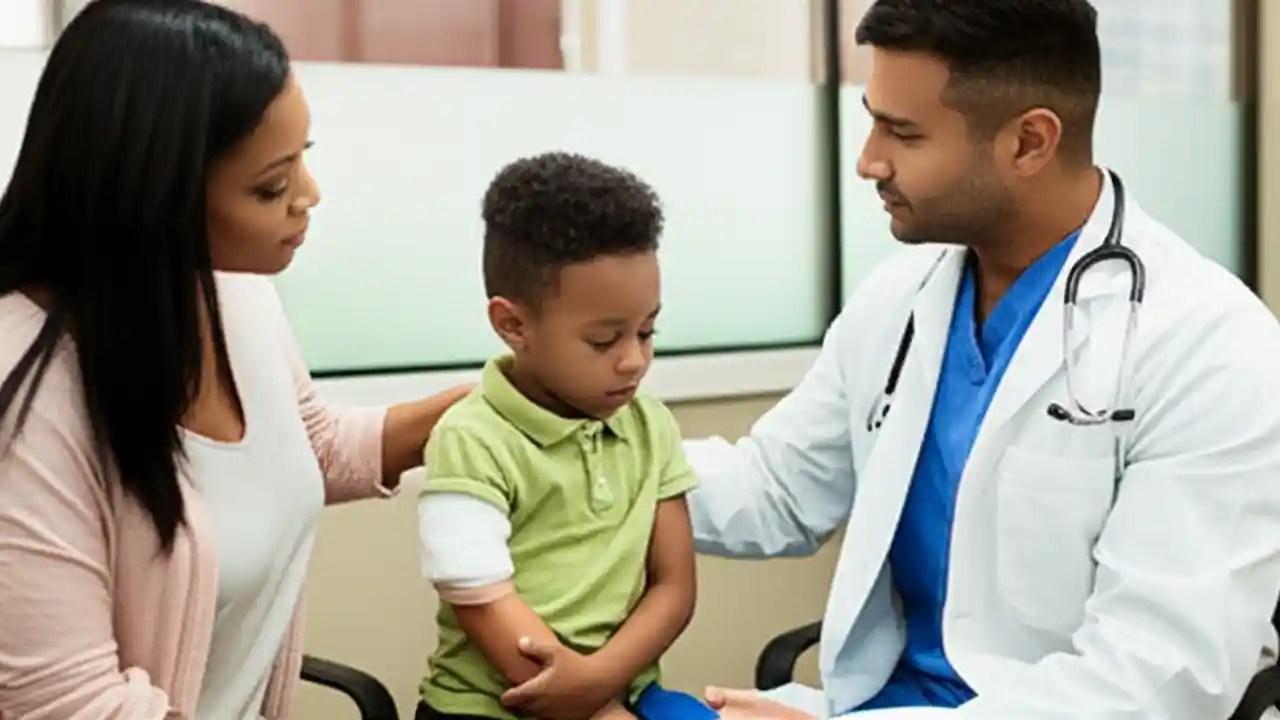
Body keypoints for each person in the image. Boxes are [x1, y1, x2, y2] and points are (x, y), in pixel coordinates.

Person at [684, 1, 1280, 718]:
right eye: (873, 119)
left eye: (901, 132)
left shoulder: (1210, 345)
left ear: (1029, 142)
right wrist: (575, 460)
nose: (868, 160)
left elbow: (1150, 682)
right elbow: (776, 489)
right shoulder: (898, 298)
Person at [0, 2, 469, 718]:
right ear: (158, 193)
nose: (308, 198)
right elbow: (70, 704)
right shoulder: (25, 400)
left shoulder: (227, 287)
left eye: (302, 159)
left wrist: (491, 407)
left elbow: (302, 445)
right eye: (271, 186)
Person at [415, 152, 715, 720]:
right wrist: (594, 707)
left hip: (622, 689)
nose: (633, 362)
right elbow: (480, 598)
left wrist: (601, 680)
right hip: (496, 705)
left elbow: (674, 586)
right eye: (604, 341)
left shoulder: (649, 423)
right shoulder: (471, 439)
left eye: (648, 331)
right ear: (513, 325)